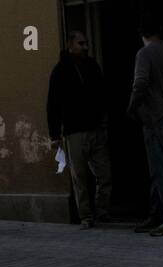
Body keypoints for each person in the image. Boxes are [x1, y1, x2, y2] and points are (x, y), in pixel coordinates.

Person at [47, 30, 112, 229]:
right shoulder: (60, 71)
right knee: (80, 178)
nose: (85, 47)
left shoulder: (92, 66)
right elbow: (53, 104)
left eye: (86, 43)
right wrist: (55, 135)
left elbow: (102, 94)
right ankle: (86, 216)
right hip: (74, 131)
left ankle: (102, 212)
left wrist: (103, 121)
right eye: (81, 43)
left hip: (95, 129)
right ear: (70, 45)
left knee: (105, 175)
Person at [128, 17, 163, 236]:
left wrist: (132, 107)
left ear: (142, 34)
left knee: (161, 171)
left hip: (154, 118)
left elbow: (140, 82)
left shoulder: (144, 54)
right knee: (158, 169)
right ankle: (155, 215)